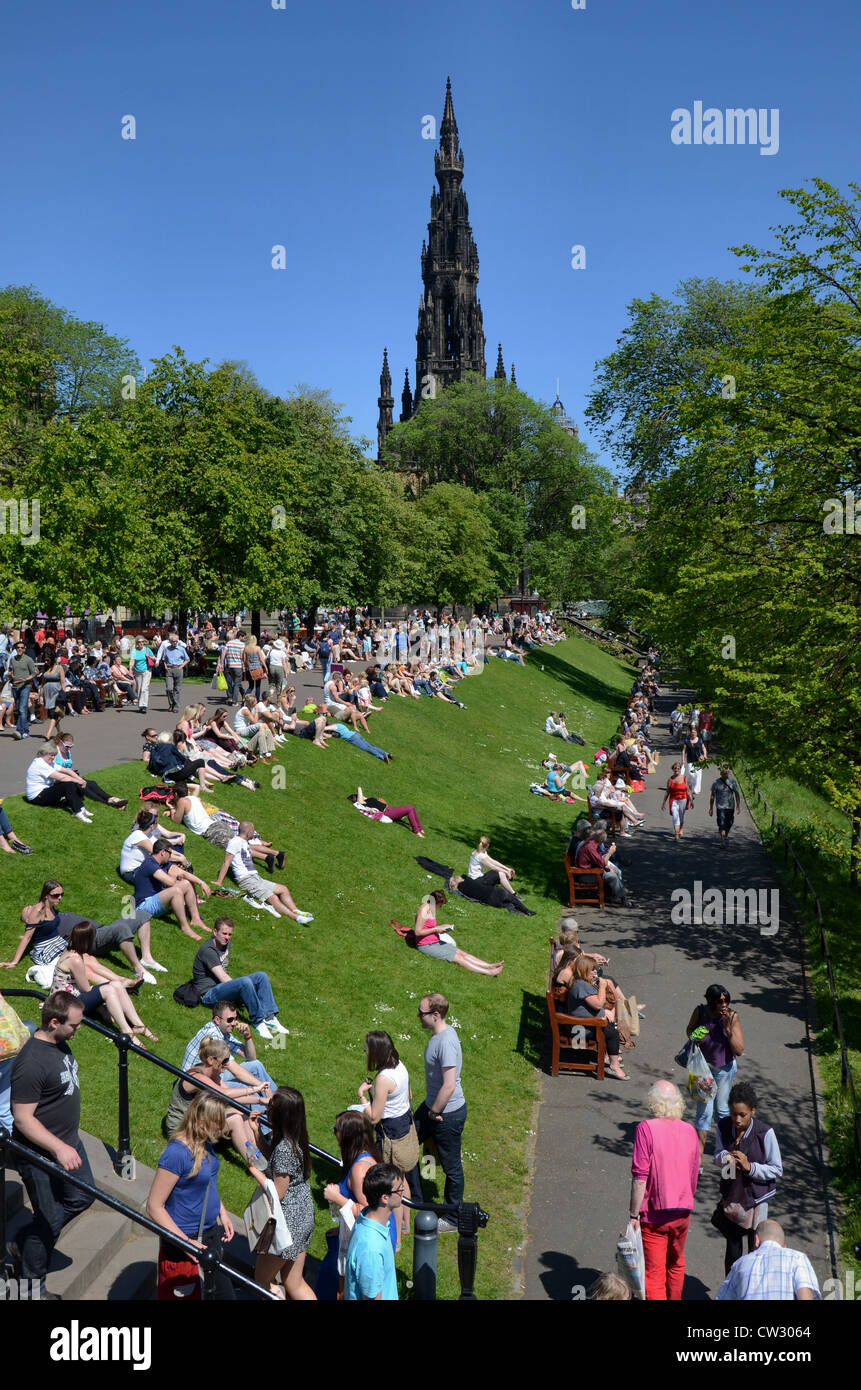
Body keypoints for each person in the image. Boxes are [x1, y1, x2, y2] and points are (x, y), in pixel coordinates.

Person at [10, 991, 95, 1300]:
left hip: (69, 1142)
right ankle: (29, 1288)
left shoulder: (58, 1042)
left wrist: (66, 1144)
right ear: (55, 1022)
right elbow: (22, 1119)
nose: (79, 1029)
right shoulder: (31, 1062)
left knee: (82, 1195)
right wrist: (58, 1148)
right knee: (49, 1219)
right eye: (75, 1025)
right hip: (39, 1155)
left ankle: (25, 1242)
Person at [146, 1092, 236, 1300]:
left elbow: (208, 1182)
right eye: (218, 1121)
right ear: (202, 1122)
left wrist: (223, 1212)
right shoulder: (176, 1154)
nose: (222, 1127)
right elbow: (154, 1206)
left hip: (209, 1231)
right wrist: (186, 1243)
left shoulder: (204, 1143)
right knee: (184, 1295)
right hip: (182, 1239)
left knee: (225, 1294)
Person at [5, 880, 165, 983]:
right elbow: (28, 938)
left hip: (103, 928)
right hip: (92, 938)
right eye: (56, 895)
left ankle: (146, 959)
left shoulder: (51, 911)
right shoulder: (38, 919)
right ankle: (137, 969)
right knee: (120, 930)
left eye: (61, 894)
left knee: (142, 914)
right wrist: (14, 961)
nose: (60, 898)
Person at [628, 1080, 700, 1300]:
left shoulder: (645, 1129)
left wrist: (633, 1214)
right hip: (682, 1211)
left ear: (653, 1102)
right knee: (676, 1264)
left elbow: (640, 1177)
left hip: (654, 1214)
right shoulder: (690, 1130)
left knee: (654, 1273)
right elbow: (694, 1173)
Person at [317, 1111, 399, 1299]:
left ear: (347, 1135)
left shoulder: (360, 1168)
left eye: (336, 1129)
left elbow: (370, 1209)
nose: (334, 1133)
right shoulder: (361, 1158)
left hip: (369, 1239)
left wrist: (337, 1198)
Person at [247, 1087, 316, 1300]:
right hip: (302, 1216)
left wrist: (254, 1171)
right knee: (293, 1282)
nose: (267, 1107)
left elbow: (278, 1191)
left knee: (262, 1280)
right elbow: (274, 1161)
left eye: (271, 1106)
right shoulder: (292, 1138)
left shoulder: (286, 1148)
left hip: (289, 1223)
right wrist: (257, 1133)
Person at [712, 1081, 782, 1276]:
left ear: (753, 1111)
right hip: (733, 1197)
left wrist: (750, 1167)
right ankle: (731, 1288)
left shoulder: (765, 1133)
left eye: (743, 1115)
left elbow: (776, 1169)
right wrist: (725, 1157)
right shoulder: (724, 1126)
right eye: (734, 1114)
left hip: (756, 1201)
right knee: (733, 1251)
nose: (737, 1119)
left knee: (755, 1251)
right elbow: (717, 1154)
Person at [51, 921, 159, 1045]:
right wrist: (105, 989)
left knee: (116, 985)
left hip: (69, 996)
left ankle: (139, 1026)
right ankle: (127, 1031)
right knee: (109, 990)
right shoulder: (75, 959)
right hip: (66, 1003)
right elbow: (85, 989)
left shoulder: (72, 950)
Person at [164, 1036, 266, 1164]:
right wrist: (254, 1089)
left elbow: (235, 1099)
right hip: (181, 1130)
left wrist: (261, 1101)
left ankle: (260, 1157)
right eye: (225, 1060)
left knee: (241, 1112)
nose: (228, 1064)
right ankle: (257, 1166)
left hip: (197, 1123)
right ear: (211, 1060)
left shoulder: (213, 1075)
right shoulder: (196, 1077)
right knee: (234, 1119)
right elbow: (224, 1094)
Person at [358, 1030, 423, 1225]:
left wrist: (362, 1096)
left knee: (392, 1184)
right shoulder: (401, 1066)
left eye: (367, 1048)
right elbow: (409, 1095)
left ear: (376, 1052)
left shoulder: (383, 1079)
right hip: (405, 1125)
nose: (365, 1051)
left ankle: (396, 1231)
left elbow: (375, 1117)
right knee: (402, 1178)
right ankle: (406, 1224)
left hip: (391, 1134)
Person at [414, 992, 467, 1220]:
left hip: (446, 1114)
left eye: (422, 1013)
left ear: (436, 1015)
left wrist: (434, 1112)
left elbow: (449, 1086)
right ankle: (414, 1199)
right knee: (402, 1144)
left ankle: (453, 1217)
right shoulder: (441, 1034)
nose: (418, 1016)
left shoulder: (445, 1042)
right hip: (431, 1108)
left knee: (451, 1167)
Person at [192, 917, 288, 1040]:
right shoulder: (208, 950)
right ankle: (258, 1021)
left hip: (220, 988)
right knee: (244, 983)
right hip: (208, 995)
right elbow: (223, 976)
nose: (227, 937)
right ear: (215, 932)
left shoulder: (225, 944)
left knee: (261, 976)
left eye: (229, 934)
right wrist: (241, 992)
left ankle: (269, 1017)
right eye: (224, 933)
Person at [212, 821, 313, 924]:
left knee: (283, 889)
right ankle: (296, 918)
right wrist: (219, 882)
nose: (254, 833)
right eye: (253, 831)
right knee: (272, 897)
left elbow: (253, 848)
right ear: (248, 832)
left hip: (255, 878)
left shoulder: (244, 842)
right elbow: (226, 862)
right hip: (246, 880)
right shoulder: (234, 842)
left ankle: (296, 910)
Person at [686, 983, 745, 1160]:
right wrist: (694, 1036)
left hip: (724, 1069)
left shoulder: (733, 1017)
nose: (724, 1004)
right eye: (720, 1002)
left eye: (727, 1000)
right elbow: (689, 1030)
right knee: (703, 1113)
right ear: (711, 1002)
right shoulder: (700, 1011)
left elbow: (740, 1050)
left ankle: (725, 1150)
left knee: (721, 1111)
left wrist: (728, 1030)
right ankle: (698, 1158)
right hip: (702, 1068)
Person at [182, 998, 277, 1106]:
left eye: (235, 1019)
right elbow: (236, 1071)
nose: (234, 1023)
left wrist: (247, 1036)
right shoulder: (214, 1036)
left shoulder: (223, 1032)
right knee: (249, 1092)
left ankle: (278, 1101)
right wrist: (262, 1086)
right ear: (217, 1020)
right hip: (198, 1083)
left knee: (256, 1065)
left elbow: (250, 1057)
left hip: (214, 1072)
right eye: (230, 1020)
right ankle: (267, 1120)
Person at [715, 1219, 819, 1300]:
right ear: (785, 1246)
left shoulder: (740, 1264)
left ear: (756, 1240)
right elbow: (805, 1295)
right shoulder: (797, 1258)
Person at [343, 1163, 404, 1301]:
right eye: (399, 1190)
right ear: (385, 1198)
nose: (403, 1192)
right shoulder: (371, 1248)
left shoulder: (367, 1217)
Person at [565, 955, 629, 1080]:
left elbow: (591, 1006)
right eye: (592, 969)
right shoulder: (581, 985)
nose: (596, 971)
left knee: (610, 1026)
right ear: (584, 970)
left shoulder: (581, 982)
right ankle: (614, 1066)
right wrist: (603, 987)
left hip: (585, 1023)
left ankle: (609, 1057)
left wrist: (604, 1012)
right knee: (612, 1033)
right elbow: (598, 1004)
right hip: (579, 1029)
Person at [132, 837, 208, 940]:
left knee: (186, 883)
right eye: (170, 853)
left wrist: (201, 883)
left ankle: (196, 919)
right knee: (176, 891)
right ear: (163, 852)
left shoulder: (164, 864)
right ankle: (185, 927)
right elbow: (170, 882)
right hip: (143, 906)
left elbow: (184, 874)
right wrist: (174, 875)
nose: (171, 856)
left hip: (156, 900)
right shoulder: (150, 864)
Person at [412, 891, 504, 976]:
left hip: (435, 941)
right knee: (458, 958)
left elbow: (428, 926)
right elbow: (418, 932)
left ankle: (489, 965)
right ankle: (489, 972)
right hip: (426, 945)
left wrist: (443, 926)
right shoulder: (423, 910)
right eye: (440, 905)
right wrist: (436, 929)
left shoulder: (431, 908)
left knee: (462, 953)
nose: (441, 907)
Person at [51, 731, 129, 815]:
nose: (68, 748)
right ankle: (110, 803)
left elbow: (68, 767)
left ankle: (111, 798)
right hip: (60, 781)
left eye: (71, 746)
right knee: (83, 786)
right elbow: (52, 771)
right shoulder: (54, 753)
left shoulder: (67, 751)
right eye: (67, 746)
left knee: (92, 783)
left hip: (71, 777)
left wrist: (73, 773)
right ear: (60, 742)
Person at [348, 786, 424, 836]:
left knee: (412, 808)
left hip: (390, 809)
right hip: (388, 813)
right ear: (358, 798)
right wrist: (359, 788)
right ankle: (416, 831)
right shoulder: (362, 803)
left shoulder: (367, 800)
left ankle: (419, 828)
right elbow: (359, 795)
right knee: (410, 808)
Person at [9, 638, 38, 739]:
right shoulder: (13, 659)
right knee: (21, 709)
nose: (20, 649)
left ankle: (19, 731)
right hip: (15, 687)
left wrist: (25, 679)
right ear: (15, 649)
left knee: (22, 709)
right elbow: (10, 671)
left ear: (25, 649)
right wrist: (10, 675)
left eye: (22, 647)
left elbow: (34, 673)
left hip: (25, 686)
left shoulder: (28, 659)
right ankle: (26, 730)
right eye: (18, 647)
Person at [154, 631, 189, 714]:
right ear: (170, 641)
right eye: (173, 641)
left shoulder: (181, 649)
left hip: (178, 669)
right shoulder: (167, 649)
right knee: (169, 688)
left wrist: (181, 666)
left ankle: (176, 706)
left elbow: (187, 659)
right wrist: (165, 666)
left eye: (176, 641)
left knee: (177, 689)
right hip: (169, 670)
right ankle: (171, 703)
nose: (175, 642)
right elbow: (164, 658)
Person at [709, 764, 742, 847]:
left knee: (730, 823)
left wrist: (738, 805)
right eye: (724, 772)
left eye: (727, 772)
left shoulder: (732, 782)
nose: (725, 774)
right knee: (722, 823)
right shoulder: (716, 783)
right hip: (720, 807)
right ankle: (723, 841)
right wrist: (711, 808)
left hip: (730, 806)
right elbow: (712, 795)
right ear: (721, 773)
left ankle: (725, 836)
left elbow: (737, 794)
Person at [661, 762, 691, 842]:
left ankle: (681, 828)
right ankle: (676, 834)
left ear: (680, 769)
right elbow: (667, 792)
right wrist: (663, 803)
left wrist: (691, 800)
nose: (677, 770)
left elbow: (688, 790)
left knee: (681, 817)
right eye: (675, 768)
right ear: (673, 769)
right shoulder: (670, 779)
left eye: (678, 768)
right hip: (673, 800)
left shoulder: (684, 778)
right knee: (675, 816)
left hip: (683, 799)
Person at [129, 636, 156, 712]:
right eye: (139, 642)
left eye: (142, 642)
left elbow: (154, 658)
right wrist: (130, 669)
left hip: (147, 671)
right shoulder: (134, 651)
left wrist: (149, 656)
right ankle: (140, 705)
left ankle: (144, 705)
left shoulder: (147, 650)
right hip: (137, 672)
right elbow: (132, 660)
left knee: (144, 688)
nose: (141, 643)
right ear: (137, 643)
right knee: (139, 689)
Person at [682, 725, 708, 802]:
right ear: (690, 733)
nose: (693, 734)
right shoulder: (687, 740)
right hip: (690, 760)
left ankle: (697, 789)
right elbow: (684, 750)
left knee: (698, 774)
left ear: (697, 733)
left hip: (698, 760)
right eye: (692, 733)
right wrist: (683, 759)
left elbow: (703, 748)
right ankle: (690, 783)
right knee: (691, 774)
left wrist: (705, 755)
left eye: (694, 733)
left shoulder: (700, 740)